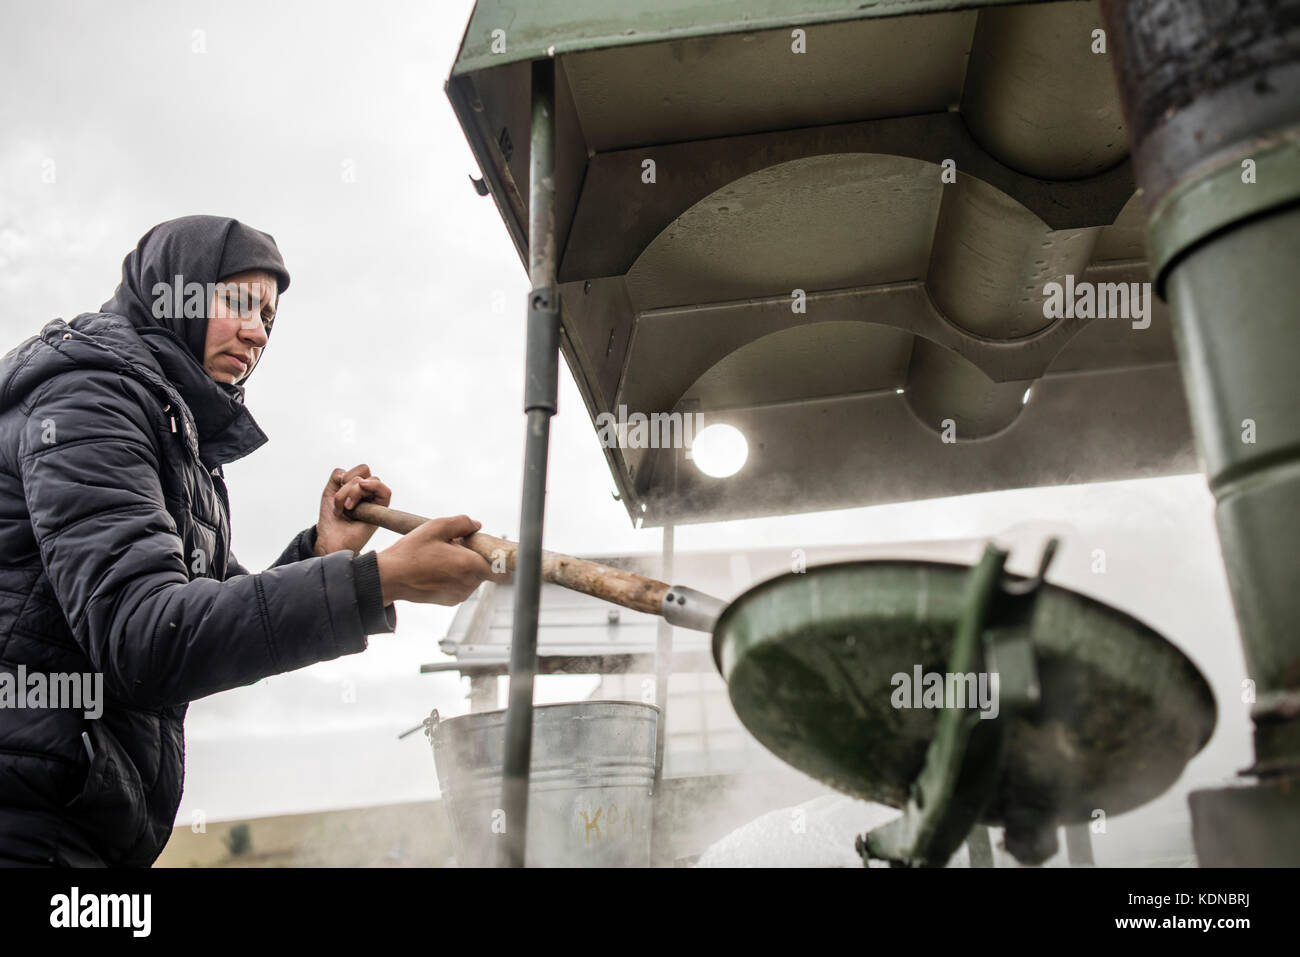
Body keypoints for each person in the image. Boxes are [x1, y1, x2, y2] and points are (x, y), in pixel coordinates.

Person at [0, 215, 495, 866]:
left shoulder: (174, 433)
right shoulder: (88, 403)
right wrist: (378, 580)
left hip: (77, 824)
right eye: (236, 300)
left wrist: (324, 553)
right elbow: (146, 634)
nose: (258, 330)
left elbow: (201, 612)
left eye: (268, 314)